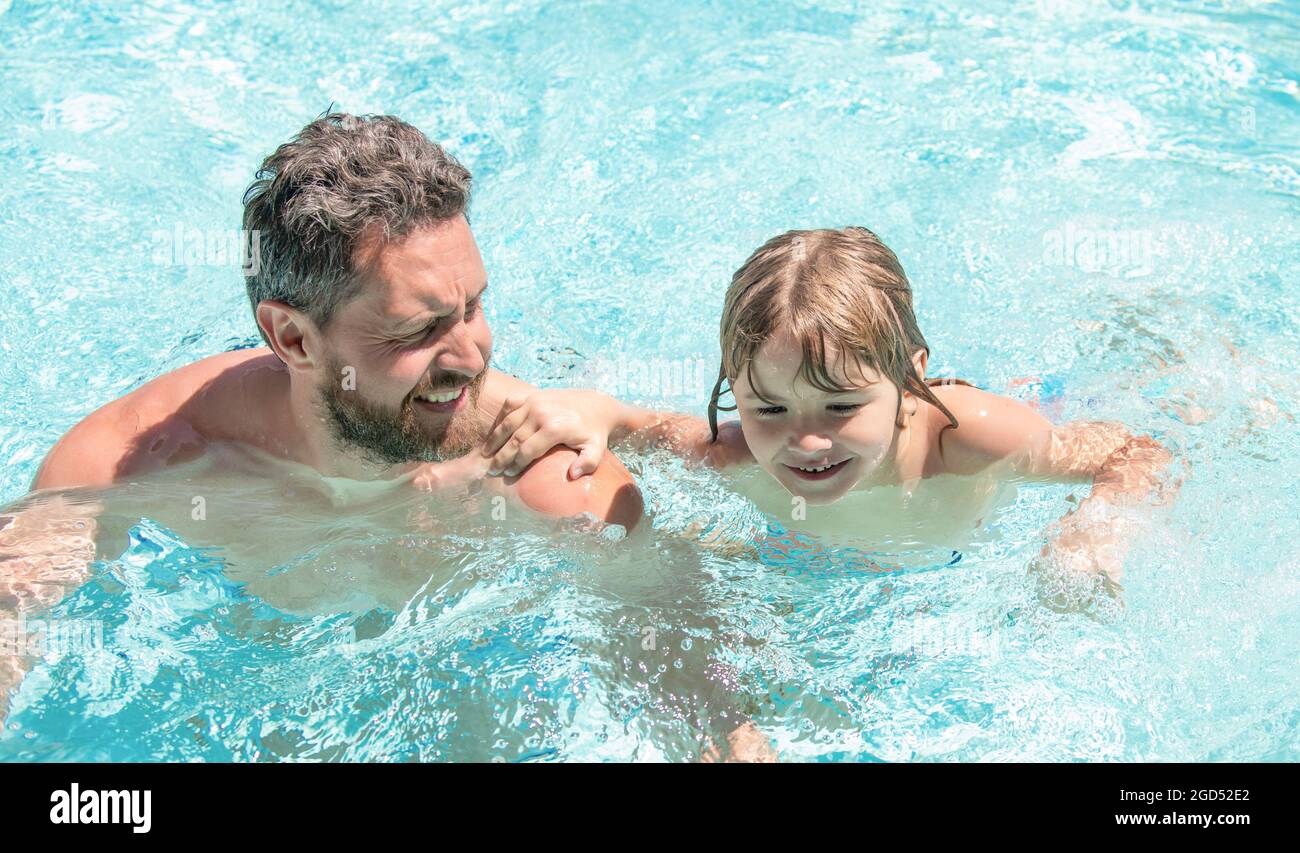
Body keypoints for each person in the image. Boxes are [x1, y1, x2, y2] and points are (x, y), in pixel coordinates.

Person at [483, 226, 1174, 587]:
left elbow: (1137, 452)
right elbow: (655, 431)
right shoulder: (736, 451)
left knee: (1146, 384)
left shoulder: (967, 436)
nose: (806, 442)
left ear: (909, 378)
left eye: (841, 406)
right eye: (771, 409)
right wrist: (604, 415)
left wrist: (1097, 532)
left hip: (1033, 403)